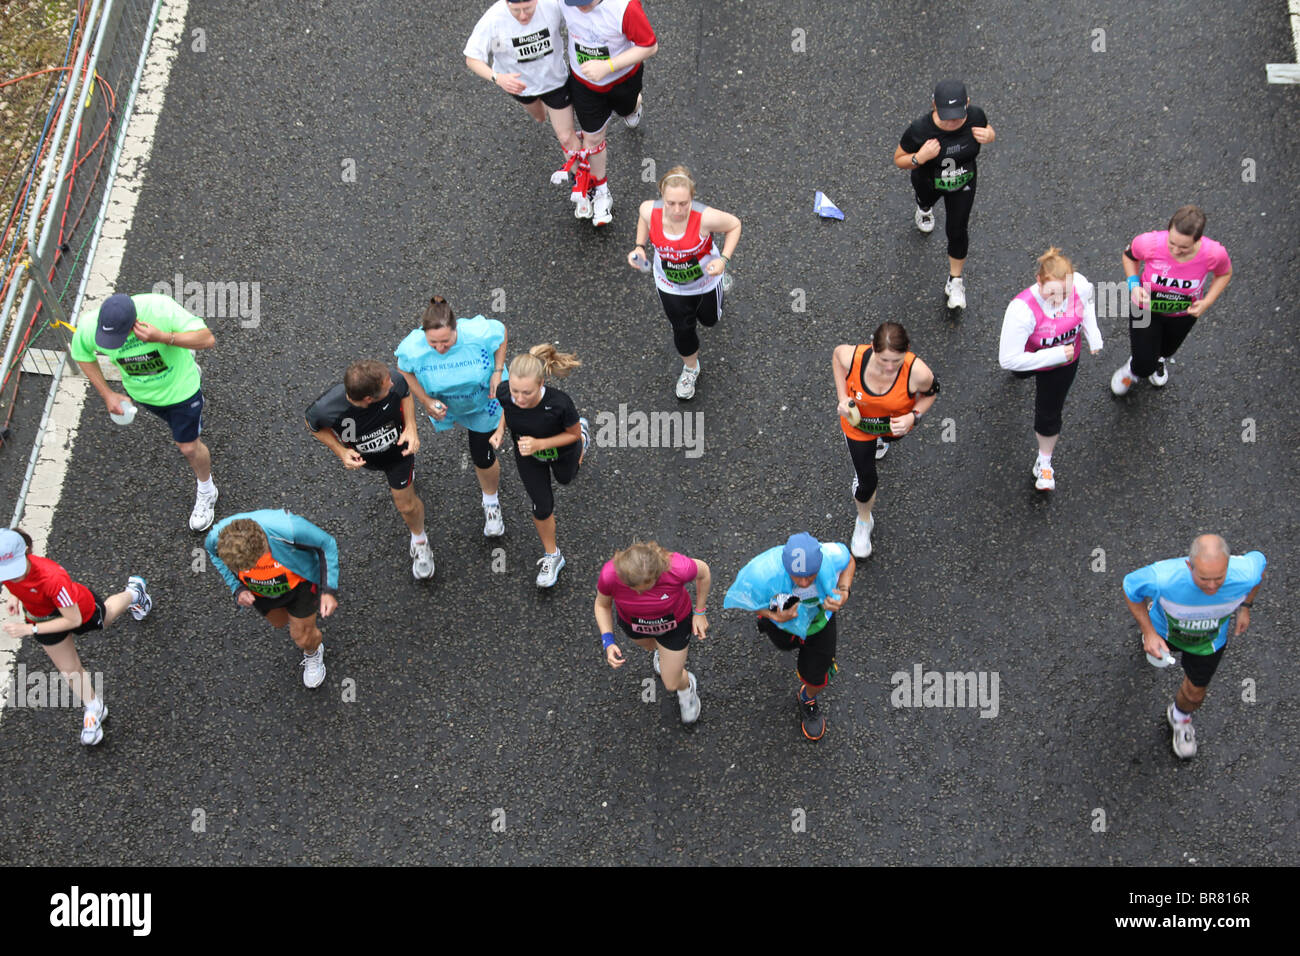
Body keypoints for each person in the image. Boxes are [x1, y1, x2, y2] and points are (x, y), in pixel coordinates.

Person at [70, 292, 220, 531]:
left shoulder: (160, 308)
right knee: (181, 435)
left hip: (182, 392)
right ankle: (183, 351)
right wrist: (107, 394)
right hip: (143, 395)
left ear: (135, 322)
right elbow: (81, 355)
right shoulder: (90, 326)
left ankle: (207, 489)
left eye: (120, 337)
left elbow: (207, 338)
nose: (115, 344)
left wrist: (163, 337)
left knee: (188, 447)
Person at [0, 527, 151, 745]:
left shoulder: (52, 578)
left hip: (78, 610)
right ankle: (94, 707)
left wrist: (30, 630)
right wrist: (15, 597)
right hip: (41, 618)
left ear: (26, 552)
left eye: (14, 570)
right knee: (70, 671)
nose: (11, 577)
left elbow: (73, 620)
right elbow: (14, 583)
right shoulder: (8, 570)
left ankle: (134, 593)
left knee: (107, 616)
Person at [1122, 535, 1265, 759]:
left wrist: (1246, 607)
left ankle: (1179, 718)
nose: (1212, 586)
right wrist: (1149, 633)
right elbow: (1130, 588)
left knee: (1195, 696)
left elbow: (1259, 571)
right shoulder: (1164, 577)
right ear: (1189, 566)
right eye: (1204, 578)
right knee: (1153, 648)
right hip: (1164, 633)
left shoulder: (1246, 572)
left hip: (1208, 644)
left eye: (1219, 578)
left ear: (1229, 565)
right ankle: (1153, 628)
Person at [306, 360, 432, 579]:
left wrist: (411, 427)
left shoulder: (394, 379)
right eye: (387, 385)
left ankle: (420, 540)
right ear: (368, 399)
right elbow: (312, 426)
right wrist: (340, 451)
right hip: (368, 460)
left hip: (398, 455)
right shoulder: (326, 409)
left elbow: (404, 392)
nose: (392, 383)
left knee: (406, 505)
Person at [395, 296, 509, 539]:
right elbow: (403, 370)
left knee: (482, 454)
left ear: (456, 330)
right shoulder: (412, 347)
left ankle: (491, 502)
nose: (440, 348)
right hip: (448, 404)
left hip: (483, 402)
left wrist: (498, 372)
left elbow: (501, 333)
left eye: (446, 341)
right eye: (433, 343)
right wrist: (425, 400)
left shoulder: (477, 333)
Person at [723, 532, 855, 741]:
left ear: (820, 563)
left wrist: (844, 591)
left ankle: (807, 699)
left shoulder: (830, 555)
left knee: (818, 674)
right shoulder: (763, 571)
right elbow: (746, 598)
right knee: (784, 645)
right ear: (784, 566)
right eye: (797, 576)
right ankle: (768, 623)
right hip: (782, 625)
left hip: (820, 624)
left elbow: (849, 561)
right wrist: (771, 615)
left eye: (810, 575)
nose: (803, 582)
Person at [627, 165, 742, 399]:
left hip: (706, 281)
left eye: (684, 203)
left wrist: (723, 260)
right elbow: (643, 219)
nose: (677, 210)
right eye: (671, 203)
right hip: (669, 284)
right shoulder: (649, 210)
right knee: (682, 328)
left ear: (692, 198)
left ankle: (722, 283)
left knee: (710, 320)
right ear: (662, 195)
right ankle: (690, 368)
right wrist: (639, 246)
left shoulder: (705, 217)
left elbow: (734, 225)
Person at [998, 247, 1103, 491]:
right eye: (1052, 293)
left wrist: (1093, 334)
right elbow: (1008, 360)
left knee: (1049, 413)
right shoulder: (1021, 309)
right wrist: (1053, 354)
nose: (1058, 299)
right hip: (1030, 357)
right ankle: (1023, 376)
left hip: (1063, 363)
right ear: (1039, 281)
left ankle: (1044, 462)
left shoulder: (1080, 285)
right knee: (1019, 372)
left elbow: (1086, 305)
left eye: (1064, 293)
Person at [832, 322, 939, 559]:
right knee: (866, 482)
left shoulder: (918, 372)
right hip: (858, 427)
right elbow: (837, 356)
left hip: (892, 426)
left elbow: (931, 393)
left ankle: (882, 441)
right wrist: (842, 397)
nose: (890, 367)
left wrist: (913, 417)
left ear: (907, 351)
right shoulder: (854, 358)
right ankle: (864, 521)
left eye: (896, 361)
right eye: (884, 360)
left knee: (886, 440)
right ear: (873, 348)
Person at [205, 510, 340, 689]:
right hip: (260, 591)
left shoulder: (288, 528)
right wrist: (237, 587)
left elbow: (326, 544)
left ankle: (312, 652)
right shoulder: (215, 538)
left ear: (264, 543)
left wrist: (328, 590)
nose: (250, 569)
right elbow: (214, 555)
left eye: (254, 563)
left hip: (300, 586)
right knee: (279, 622)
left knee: (302, 637)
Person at [893, 79, 995, 310]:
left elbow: (989, 130)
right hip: (929, 183)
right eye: (946, 116)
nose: (952, 121)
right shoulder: (920, 129)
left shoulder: (976, 116)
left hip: (963, 183)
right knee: (925, 201)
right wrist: (920, 157)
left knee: (958, 230)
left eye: (958, 115)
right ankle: (924, 208)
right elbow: (899, 159)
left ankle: (955, 281)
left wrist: (989, 135)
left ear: (967, 103)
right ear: (934, 106)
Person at [491, 344, 588, 587]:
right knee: (542, 507)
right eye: (515, 391)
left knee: (566, 479)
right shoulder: (505, 393)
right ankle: (553, 555)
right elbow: (506, 409)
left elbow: (572, 434)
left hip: (563, 450)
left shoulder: (560, 403)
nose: (519, 398)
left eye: (527, 392)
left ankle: (586, 439)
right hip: (528, 456)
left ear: (541, 383)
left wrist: (540, 444)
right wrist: (500, 430)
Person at [464, 0, 583, 196]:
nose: (522, 16)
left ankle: (583, 184)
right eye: (515, 10)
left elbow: (581, 18)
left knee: (566, 136)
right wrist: (498, 78)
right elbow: (472, 58)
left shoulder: (553, 5)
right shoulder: (493, 19)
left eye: (528, 9)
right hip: (520, 87)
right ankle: (548, 112)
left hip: (555, 83)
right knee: (540, 117)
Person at [1110, 205, 1233, 395]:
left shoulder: (1213, 254)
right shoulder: (1149, 243)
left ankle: (1157, 360)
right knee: (1144, 364)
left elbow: (1224, 273)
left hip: (1183, 313)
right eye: (1172, 243)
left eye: (1184, 247)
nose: (1175, 250)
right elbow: (1129, 257)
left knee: (1167, 350)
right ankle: (1133, 371)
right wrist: (1134, 285)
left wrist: (1207, 301)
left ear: (1198, 240)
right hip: (1145, 308)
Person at [559, 0, 658, 226]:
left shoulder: (624, 7)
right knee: (593, 138)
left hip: (623, 81)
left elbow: (650, 46)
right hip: (585, 85)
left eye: (585, 2)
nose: (580, 8)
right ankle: (601, 191)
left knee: (628, 109)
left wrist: (608, 66)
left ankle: (634, 106)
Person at [596, 541, 710, 725]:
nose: (639, 593)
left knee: (671, 682)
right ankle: (664, 655)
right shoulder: (610, 574)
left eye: (645, 587)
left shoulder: (677, 567)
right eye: (632, 587)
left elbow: (703, 572)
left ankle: (686, 687)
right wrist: (608, 641)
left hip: (675, 626)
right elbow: (602, 605)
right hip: (635, 627)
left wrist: (700, 612)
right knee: (652, 648)